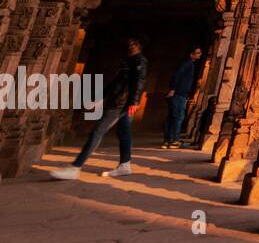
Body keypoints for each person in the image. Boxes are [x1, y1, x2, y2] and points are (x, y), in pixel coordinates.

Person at [51, 37, 149, 180]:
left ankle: (75, 167)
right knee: (124, 132)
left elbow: (139, 82)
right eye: (129, 44)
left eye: (134, 44)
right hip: (120, 100)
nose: (131, 46)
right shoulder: (127, 61)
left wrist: (134, 101)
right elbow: (115, 83)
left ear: (139, 46)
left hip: (121, 103)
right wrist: (99, 98)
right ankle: (125, 165)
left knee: (97, 131)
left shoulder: (139, 61)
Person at [163, 45, 203, 148]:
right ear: (191, 54)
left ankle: (168, 140)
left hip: (180, 93)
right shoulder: (187, 63)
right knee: (178, 117)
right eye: (198, 52)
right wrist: (173, 89)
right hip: (179, 94)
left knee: (172, 117)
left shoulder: (189, 64)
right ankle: (174, 141)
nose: (200, 54)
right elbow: (177, 75)